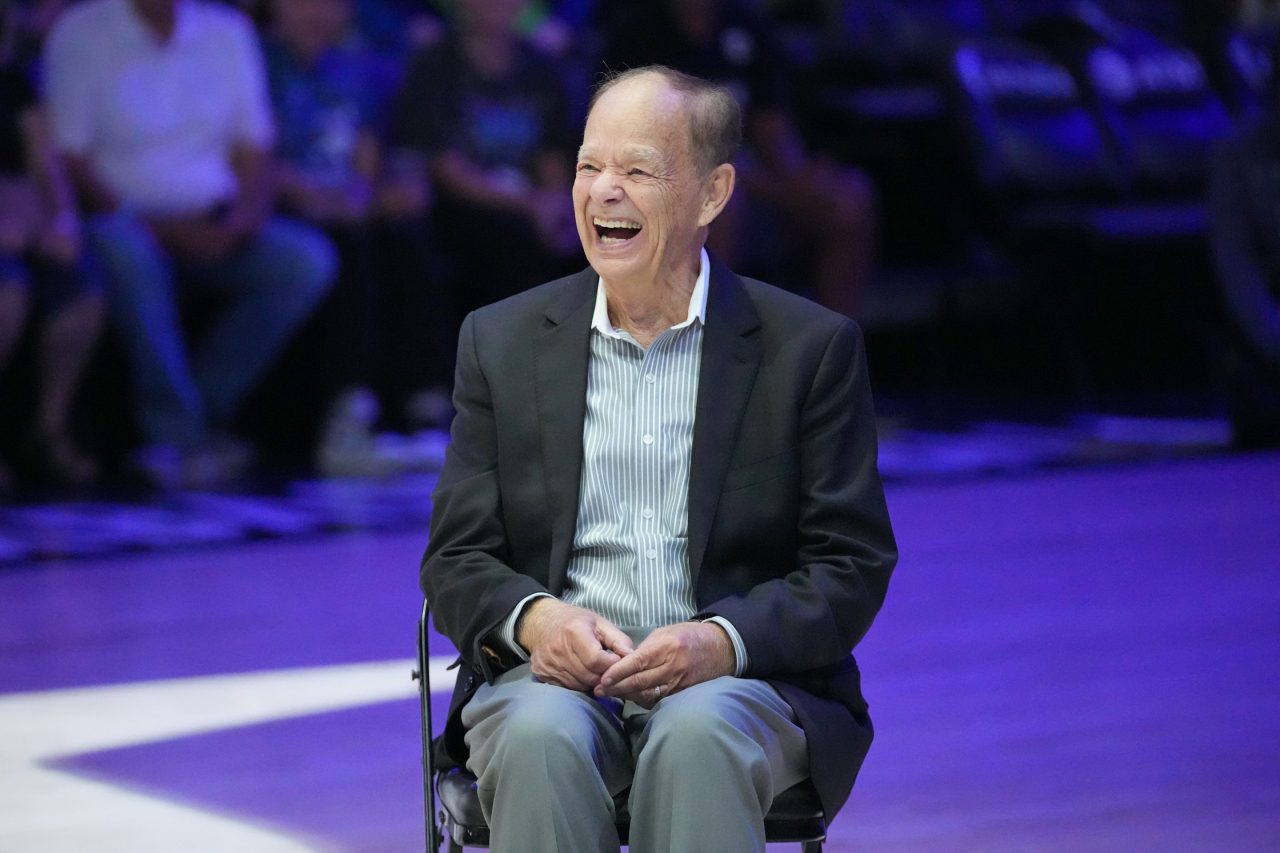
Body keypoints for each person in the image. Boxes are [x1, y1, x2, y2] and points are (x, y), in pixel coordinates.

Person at [420, 66, 897, 853]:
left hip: (741, 683)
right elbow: (457, 556)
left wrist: (720, 640)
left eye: (637, 170)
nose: (603, 192)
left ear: (712, 195)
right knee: (541, 734)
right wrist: (538, 621)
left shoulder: (809, 349)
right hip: (550, 683)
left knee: (698, 733)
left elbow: (850, 565)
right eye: (587, 166)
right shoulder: (499, 342)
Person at [42, 0, 337, 490]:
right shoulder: (82, 32)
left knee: (303, 261)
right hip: (121, 219)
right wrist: (156, 226)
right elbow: (70, 158)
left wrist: (243, 219)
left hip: (214, 215)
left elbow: (254, 144)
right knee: (129, 257)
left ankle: (202, 409)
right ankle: (174, 435)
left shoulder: (227, 31)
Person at [596, 0, 879, 320]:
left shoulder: (747, 26)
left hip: (753, 177)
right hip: (667, 186)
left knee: (849, 198)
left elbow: (771, 126)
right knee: (721, 205)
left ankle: (831, 355)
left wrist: (798, 177)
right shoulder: (634, 35)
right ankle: (706, 352)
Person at [262, 0, 451, 474]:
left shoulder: (354, 69)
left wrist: (365, 194)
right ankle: (345, 416)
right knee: (349, 242)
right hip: (277, 204)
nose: (318, 13)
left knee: (404, 233)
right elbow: (250, 152)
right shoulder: (255, 62)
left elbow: (364, 158)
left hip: (341, 201)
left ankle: (422, 410)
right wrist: (311, 195)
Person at [389, 0, 583, 319]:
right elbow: (444, 165)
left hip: (530, 202)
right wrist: (528, 204)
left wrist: (558, 206)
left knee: (592, 242)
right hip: (458, 205)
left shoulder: (541, 69)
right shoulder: (433, 65)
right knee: (513, 237)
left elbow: (553, 154)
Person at [0, 27, 104, 494]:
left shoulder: (15, 80)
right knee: (8, 295)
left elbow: (47, 163)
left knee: (82, 292)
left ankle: (48, 431)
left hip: (22, 224)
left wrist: (62, 219)